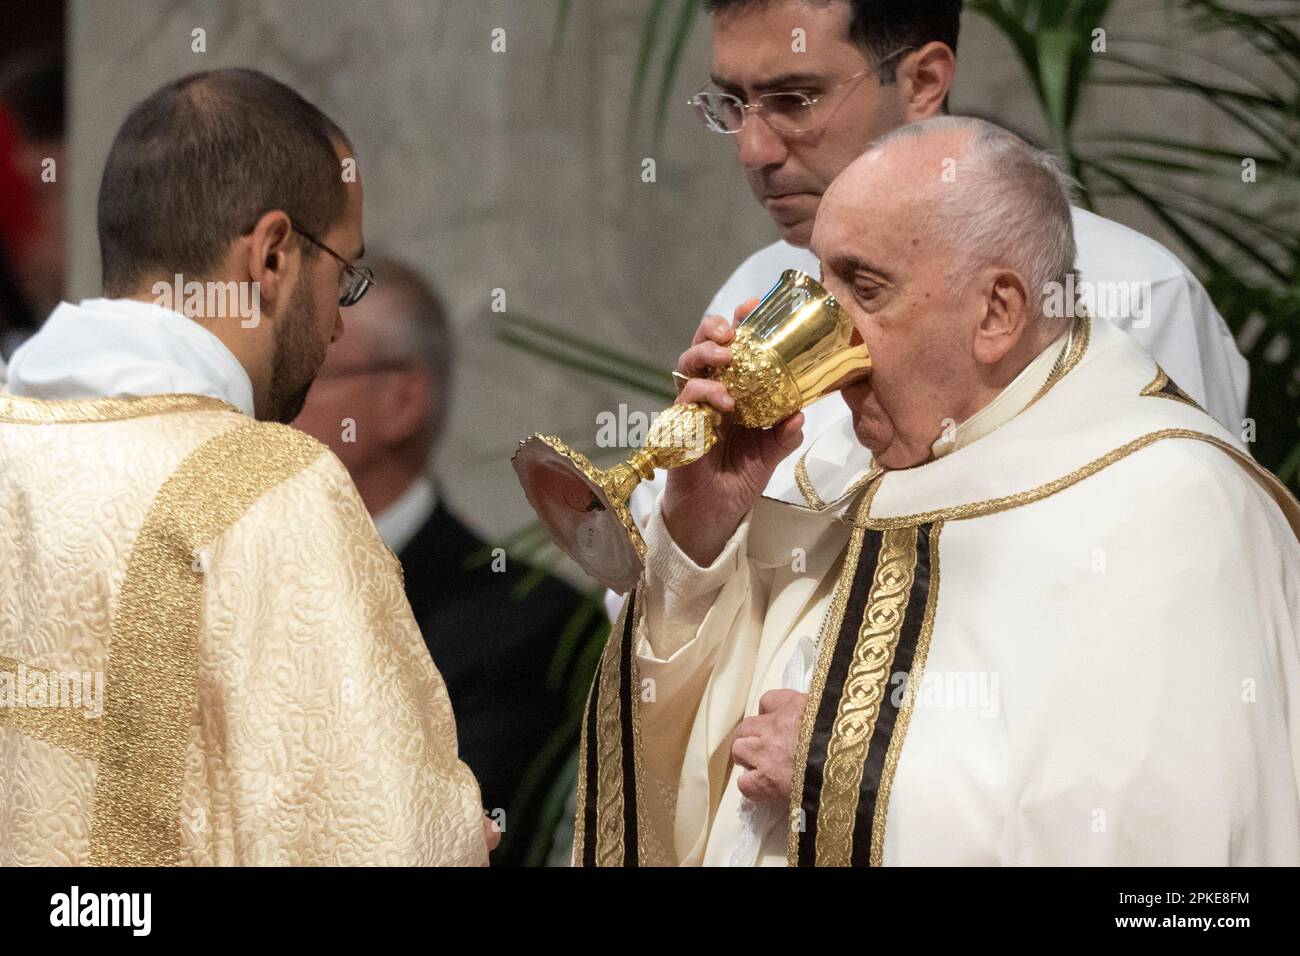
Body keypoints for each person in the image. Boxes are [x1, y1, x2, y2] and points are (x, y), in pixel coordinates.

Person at [576, 117, 1300, 866]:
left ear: (998, 313)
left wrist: (853, 781)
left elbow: (1177, 865)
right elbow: (682, 759)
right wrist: (698, 540)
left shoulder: (1171, 505)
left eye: (863, 287)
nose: (825, 333)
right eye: (816, 282)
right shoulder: (828, 458)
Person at [608, 0, 1250, 618]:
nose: (753, 150)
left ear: (923, 80)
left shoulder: (1132, 293)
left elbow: (1173, 590)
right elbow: (645, 602)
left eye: (794, 100)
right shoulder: (754, 287)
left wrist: (862, 719)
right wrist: (695, 530)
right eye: (735, 104)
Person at [0, 69, 489, 866]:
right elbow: (386, 842)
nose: (336, 324)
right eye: (344, 274)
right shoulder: (271, 491)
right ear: (271, 256)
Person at [293, 257, 593, 863]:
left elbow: (454, 840)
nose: (262, 406)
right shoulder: (216, 582)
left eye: (302, 375)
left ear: (402, 401)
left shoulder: (529, 624)